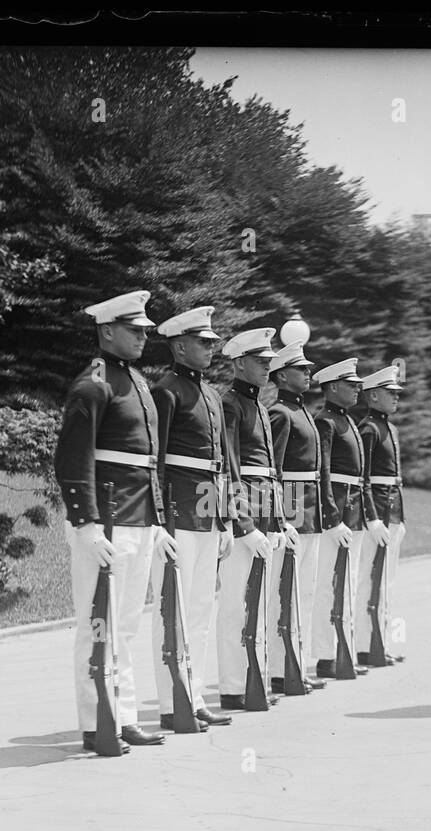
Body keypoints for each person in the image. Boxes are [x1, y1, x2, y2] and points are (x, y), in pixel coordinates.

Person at [53, 290, 176, 754]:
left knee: (124, 624)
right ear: (107, 331)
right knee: (96, 623)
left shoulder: (140, 382)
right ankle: (95, 722)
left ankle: (122, 718)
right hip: (105, 523)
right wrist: (85, 524)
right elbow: (72, 459)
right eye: (134, 329)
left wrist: (158, 519)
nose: (143, 337)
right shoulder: (93, 384)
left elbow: (149, 462)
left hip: (138, 519)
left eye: (146, 330)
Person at [149, 306, 237, 731]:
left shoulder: (212, 395)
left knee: (201, 608)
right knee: (175, 610)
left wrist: (223, 519)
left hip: (205, 512)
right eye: (204, 343)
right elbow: (157, 460)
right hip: (177, 511)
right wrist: (160, 521)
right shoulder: (166, 391)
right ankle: (171, 703)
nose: (211, 348)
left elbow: (219, 464)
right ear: (179, 346)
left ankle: (195, 694)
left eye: (213, 342)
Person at [216, 328, 283, 709]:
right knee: (235, 602)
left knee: (254, 603)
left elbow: (270, 469)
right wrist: (244, 524)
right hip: (248, 516)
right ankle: (231, 685)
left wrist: (278, 520)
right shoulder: (231, 404)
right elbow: (231, 466)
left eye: (270, 362)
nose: (267, 368)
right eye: (261, 362)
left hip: (266, 510)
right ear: (239, 363)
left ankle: (249, 678)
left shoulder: (257, 404)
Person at [311, 358, 385, 678]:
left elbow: (362, 477)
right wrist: (331, 517)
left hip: (352, 513)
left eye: (358, 384)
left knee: (348, 583)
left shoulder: (349, 421)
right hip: (337, 515)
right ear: (331, 388)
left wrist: (370, 517)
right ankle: (327, 655)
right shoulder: (325, 421)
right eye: (350, 384)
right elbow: (322, 473)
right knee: (329, 584)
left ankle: (344, 649)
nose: (357, 388)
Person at [266, 340, 327, 694]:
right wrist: (281, 517)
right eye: (301, 369)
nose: (307, 373)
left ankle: (297, 664)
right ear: (282, 376)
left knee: (304, 592)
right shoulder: (281, 414)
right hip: (292, 508)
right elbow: (273, 470)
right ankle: (279, 668)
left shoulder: (303, 412)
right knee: (285, 594)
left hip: (311, 511)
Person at [355, 364, 407, 666]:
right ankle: (365, 645)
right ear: (373, 396)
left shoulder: (390, 427)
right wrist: (372, 517)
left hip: (394, 512)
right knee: (370, 580)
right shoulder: (369, 429)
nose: (396, 397)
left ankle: (381, 643)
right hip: (379, 511)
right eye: (390, 393)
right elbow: (363, 478)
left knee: (386, 582)